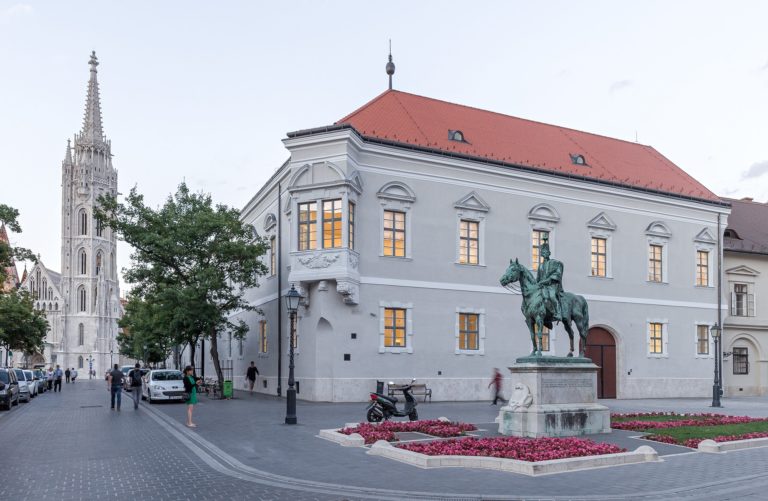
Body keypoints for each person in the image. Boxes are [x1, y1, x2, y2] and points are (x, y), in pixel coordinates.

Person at [536, 234, 564, 323]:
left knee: (551, 296)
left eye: (546, 252)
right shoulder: (540, 266)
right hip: (543, 287)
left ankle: (558, 312)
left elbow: (558, 274)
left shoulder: (555, 263)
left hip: (552, 285)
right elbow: (538, 278)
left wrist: (548, 280)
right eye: (543, 253)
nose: (544, 254)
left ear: (549, 253)